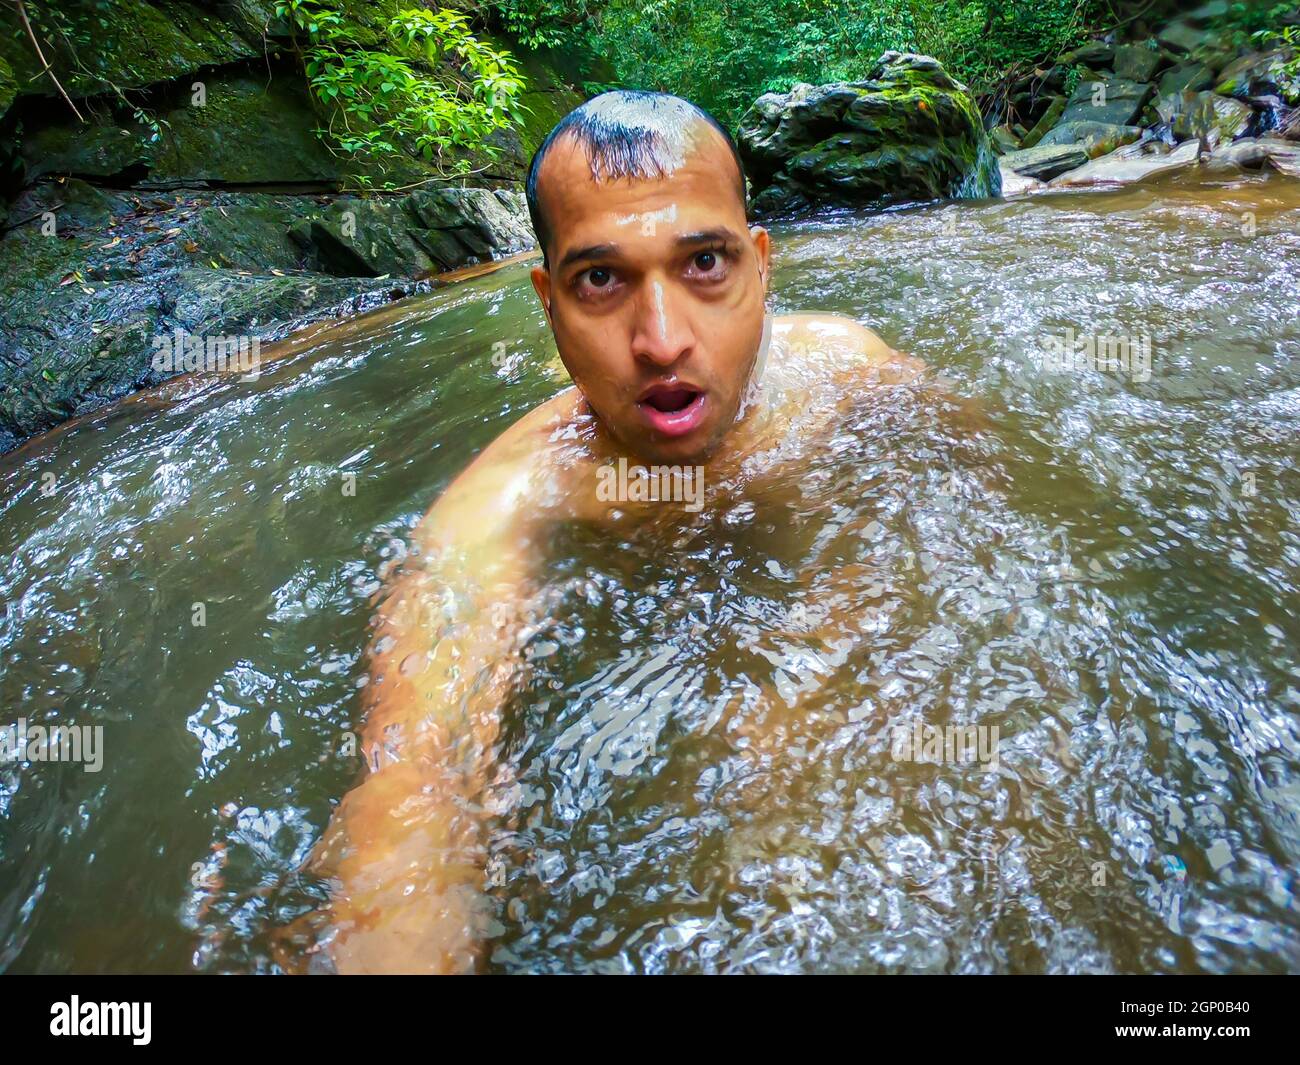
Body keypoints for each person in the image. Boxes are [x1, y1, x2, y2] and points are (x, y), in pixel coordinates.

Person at [306, 90, 925, 974]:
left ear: (762, 266)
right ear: (547, 301)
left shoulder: (855, 376)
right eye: (601, 279)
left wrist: (830, 648)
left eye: (704, 262)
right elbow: (412, 792)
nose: (663, 340)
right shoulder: (501, 510)